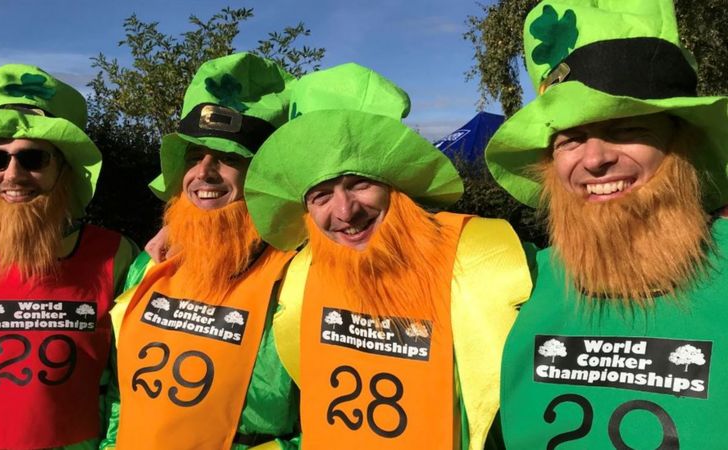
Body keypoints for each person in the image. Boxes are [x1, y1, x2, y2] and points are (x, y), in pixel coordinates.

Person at [243, 63, 533, 449]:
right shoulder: (299, 276)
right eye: (322, 195)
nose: (345, 212)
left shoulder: (480, 257)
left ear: (394, 183)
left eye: (359, 183)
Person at [484, 0, 728, 447]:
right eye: (571, 139)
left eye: (626, 129)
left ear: (681, 143)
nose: (595, 159)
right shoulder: (523, 282)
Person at [0, 64, 138, 450]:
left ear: (64, 169)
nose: (13, 174)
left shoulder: (117, 256)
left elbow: (128, 388)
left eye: (34, 158)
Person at [111, 52, 300, 450]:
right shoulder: (149, 264)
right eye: (195, 156)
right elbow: (120, 393)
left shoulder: (297, 274)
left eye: (229, 158)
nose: (204, 172)